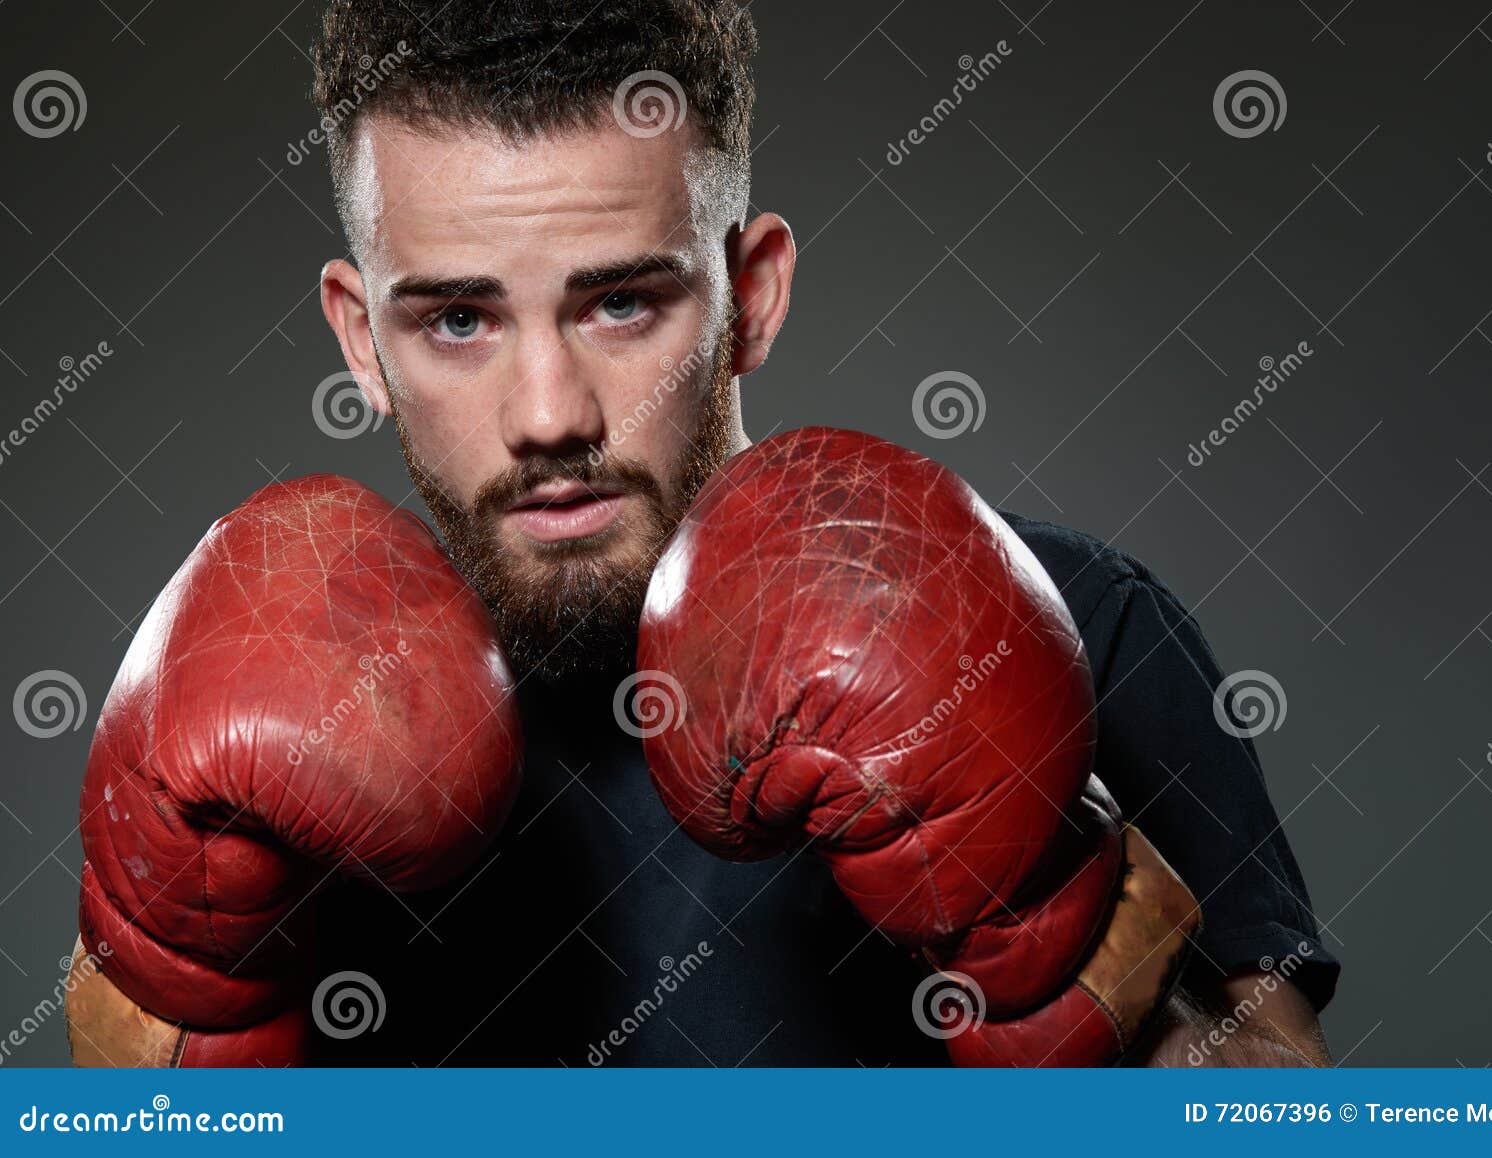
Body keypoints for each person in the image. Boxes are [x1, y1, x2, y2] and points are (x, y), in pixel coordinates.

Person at [67, 0, 1335, 1067]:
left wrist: (1066, 923)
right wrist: (193, 1001)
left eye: (621, 303)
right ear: (361, 340)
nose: (549, 416)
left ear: (750, 296)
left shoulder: (1073, 624)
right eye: (458, 321)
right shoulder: (254, 701)